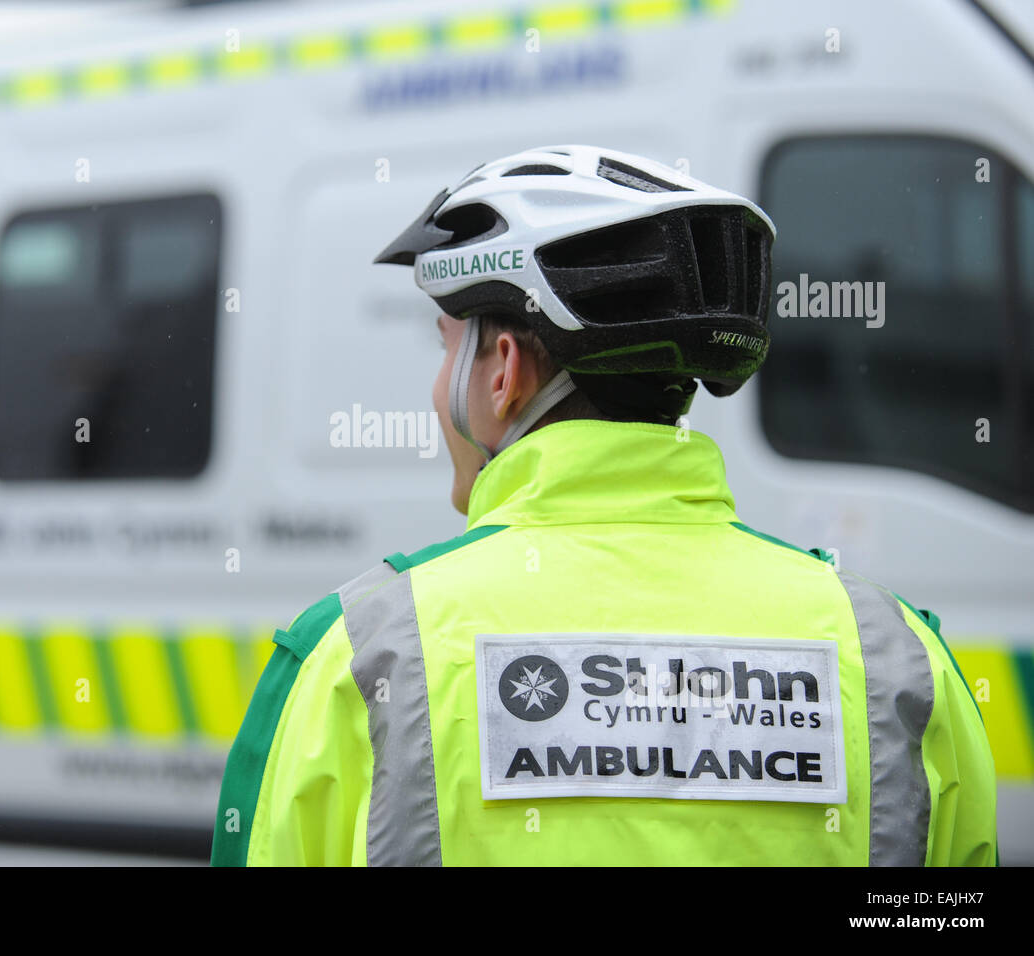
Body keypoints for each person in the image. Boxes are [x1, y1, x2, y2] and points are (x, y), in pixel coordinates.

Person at [210, 145, 997, 866]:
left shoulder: (358, 655)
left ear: (503, 370)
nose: (437, 378)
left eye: (448, 342)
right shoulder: (898, 660)